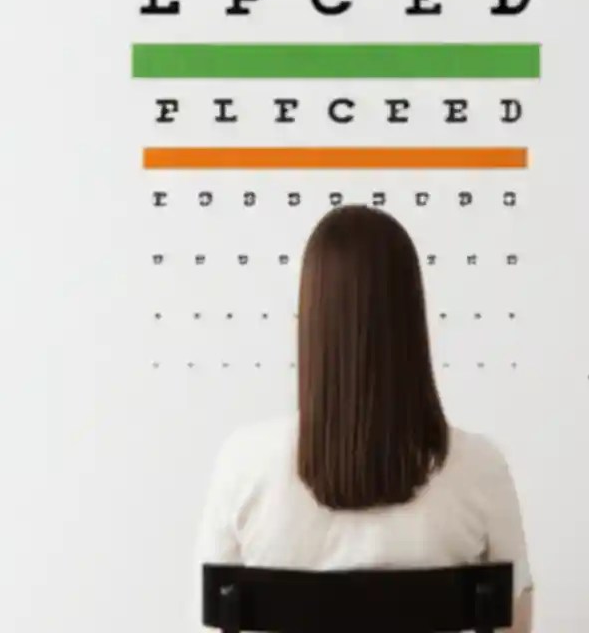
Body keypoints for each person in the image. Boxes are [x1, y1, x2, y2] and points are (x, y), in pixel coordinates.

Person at [194, 205, 534, 632]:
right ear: (413, 322)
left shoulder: (244, 464)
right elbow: (515, 627)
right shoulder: (480, 468)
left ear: (311, 321)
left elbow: (207, 625)